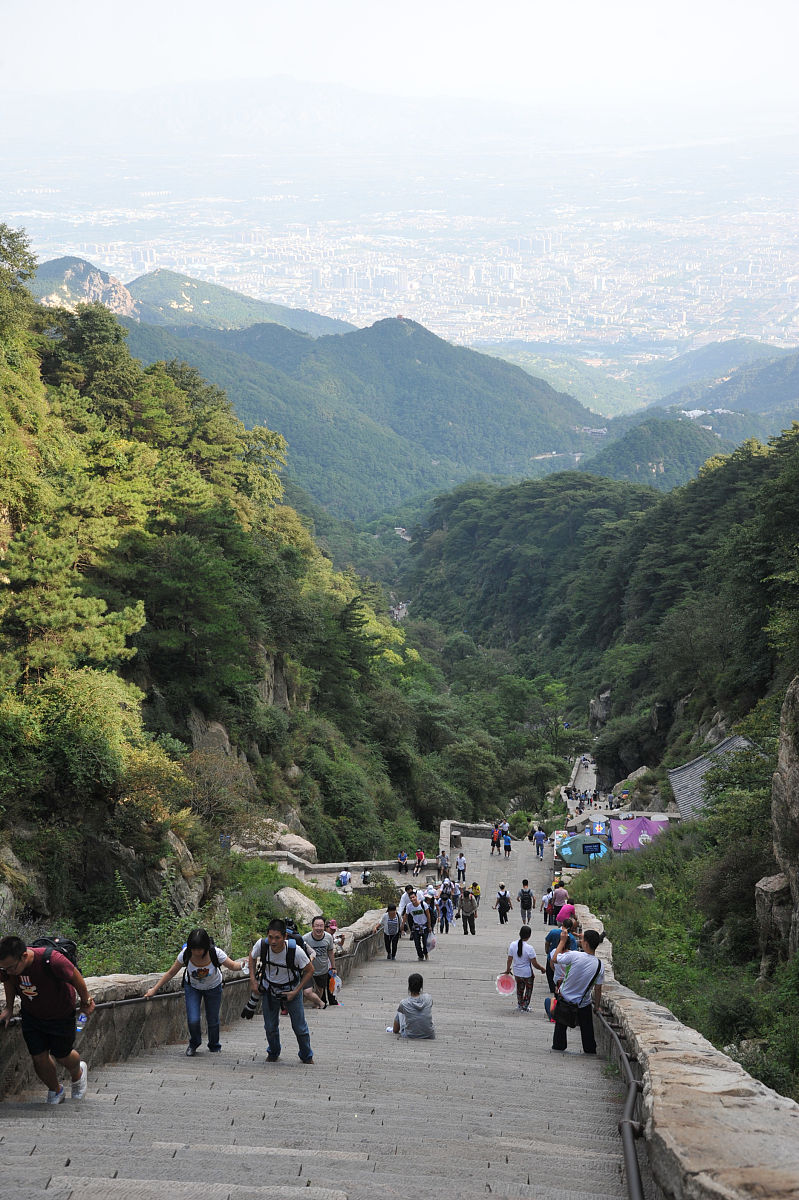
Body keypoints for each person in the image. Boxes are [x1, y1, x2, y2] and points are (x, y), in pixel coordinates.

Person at [0, 934, 95, 1104]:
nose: (8, 972)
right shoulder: (8, 969)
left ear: (24, 956)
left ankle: (78, 1072)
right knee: (38, 1056)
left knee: (62, 1055)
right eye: (3, 969)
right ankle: (56, 1090)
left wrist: (86, 1001)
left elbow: (76, 977)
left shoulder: (52, 960)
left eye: (11, 967)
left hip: (60, 1014)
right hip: (32, 1014)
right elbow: (8, 981)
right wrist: (8, 1007)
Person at [144, 927, 246, 1054]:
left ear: (206, 947)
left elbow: (232, 965)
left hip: (213, 987)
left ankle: (214, 1045)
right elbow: (171, 973)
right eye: (194, 949)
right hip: (192, 987)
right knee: (193, 1019)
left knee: (213, 1018)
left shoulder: (216, 953)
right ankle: (194, 1043)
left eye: (200, 949)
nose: (196, 952)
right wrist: (154, 989)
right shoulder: (186, 954)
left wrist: (242, 965)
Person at [247, 919, 315, 1064]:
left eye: (277, 938)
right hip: (269, 989)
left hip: (291, 990)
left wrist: (296, 991)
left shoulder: (295, 951)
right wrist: (253, 980)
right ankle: (273, 1052)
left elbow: (309, 970)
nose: (273, 941)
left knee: (299, 1027)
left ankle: (306, 1055)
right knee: (270, 1026)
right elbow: (251, 958)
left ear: (285, 937)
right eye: (270, 937)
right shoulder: (262, 945)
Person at [550, 927, 605, 1054]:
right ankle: (590, 1050)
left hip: (565, 1000)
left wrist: (562, 941)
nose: (580, 940)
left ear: (586, 943)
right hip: (583, 1003)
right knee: (587, 1032)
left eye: (582, 938)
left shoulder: (574, 955)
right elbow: (598, 988)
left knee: (560, 1031)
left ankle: (559, 1047)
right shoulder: (600, 965)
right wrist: (596, 1007)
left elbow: (554, 958)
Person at [503, 926, 546, 1012]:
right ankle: (525, 1006)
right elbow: (534, 963)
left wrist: (508, 969)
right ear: (529, 936)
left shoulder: (513, 945)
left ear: (520, 934)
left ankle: (520, 1004)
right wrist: (542, 968)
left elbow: (509, 959)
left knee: (520, 989)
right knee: (528, 989)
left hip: (517, 972)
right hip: (527, 973)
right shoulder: (529, 948)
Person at [303, 915, 336, 1009]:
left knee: (320, 989)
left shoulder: (328, 937)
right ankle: (320, 1003)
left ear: (324, 927)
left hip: (322, 969)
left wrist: (333, 967)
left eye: (321, 925)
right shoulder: (305, 938)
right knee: (307, 992)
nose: (319, 928)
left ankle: (316, 1005)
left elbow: (330, 952)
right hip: (308, 969)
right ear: (312, 927)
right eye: (316, 925)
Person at [390, 972, 435, 1039]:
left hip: (410, 1035)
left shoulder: (404, 1003)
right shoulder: (428, 998)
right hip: (429, 1035)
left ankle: (393, 1029)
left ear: (409, 986)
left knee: (400, 1011)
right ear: (421, 986)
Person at [545, 919, 578, 995]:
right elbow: (574, 951)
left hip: (551, 957)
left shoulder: (553, 932)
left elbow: (547, 942)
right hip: (565, 962)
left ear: (562, 924)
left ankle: (553, 989)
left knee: (550, 974)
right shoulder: (571, 938)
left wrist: (547, 951)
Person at [403, 890, 432, 960]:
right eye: (411, 898)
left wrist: (429, 926)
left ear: (416, 897)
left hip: (424, 926)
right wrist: (402, 925)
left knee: (425, 943)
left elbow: (428, 915)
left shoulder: (423, 904)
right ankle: (420, 956)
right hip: (416, 927)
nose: (412, 899)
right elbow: (405, 915)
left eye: (413, 897)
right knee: (417, 943)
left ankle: (425, 953)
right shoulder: (409, 906)